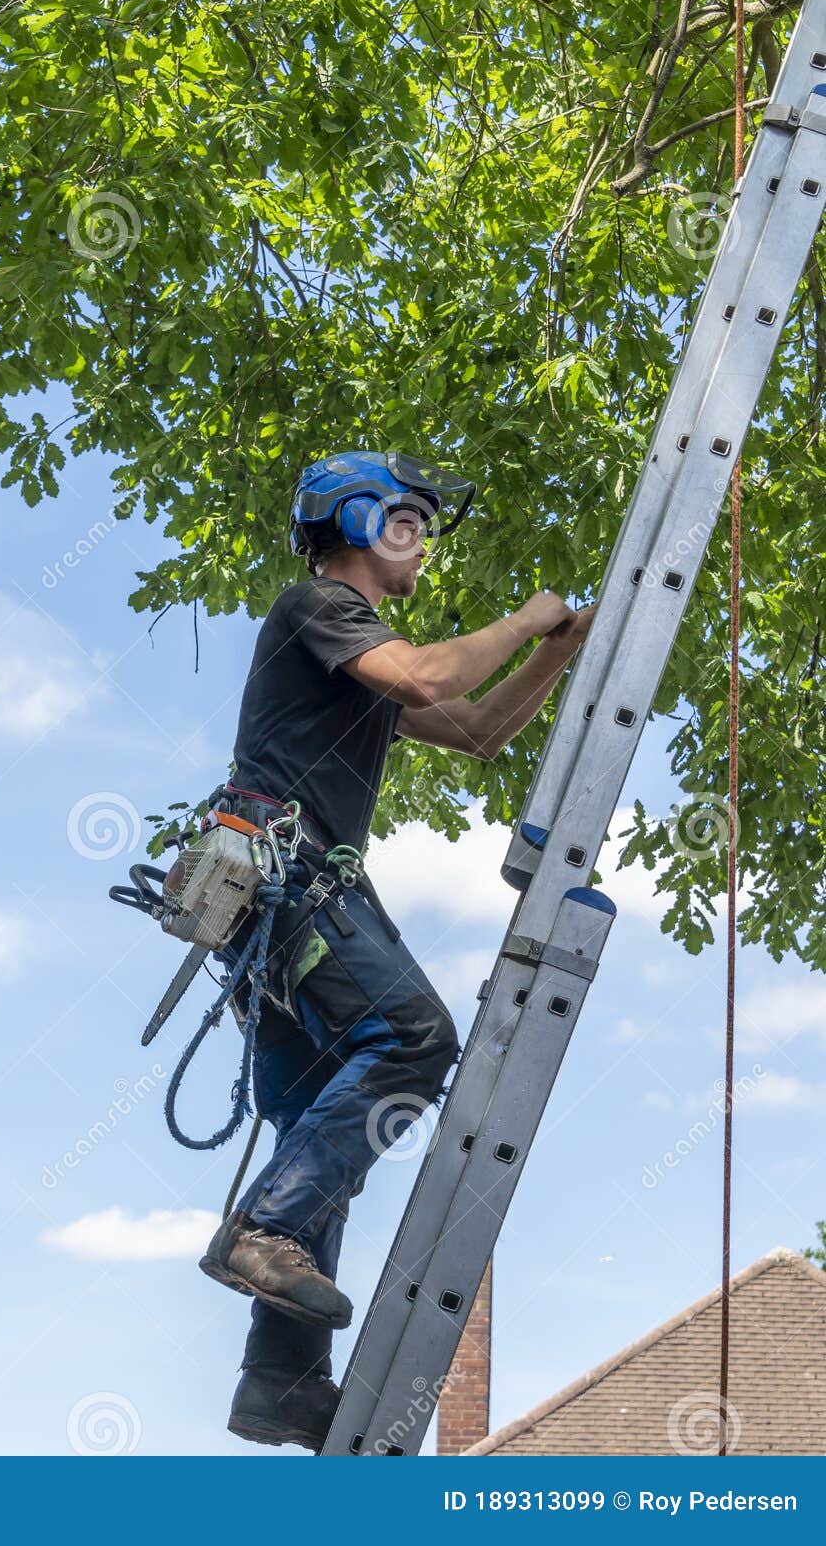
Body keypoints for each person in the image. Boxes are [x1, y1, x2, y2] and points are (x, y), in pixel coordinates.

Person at [197, 450, 596, 1452]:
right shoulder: (316, 607)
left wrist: (555, 655)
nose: (421, 543)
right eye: (412, 521)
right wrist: (526, 614)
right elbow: (427, 672)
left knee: (316, 1122)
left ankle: (277, 1382)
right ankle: (264, 1230)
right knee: (416, 1035)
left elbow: (466, 726)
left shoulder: (352, 652)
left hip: (283, 900)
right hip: (290, 882)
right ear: (368, 522)